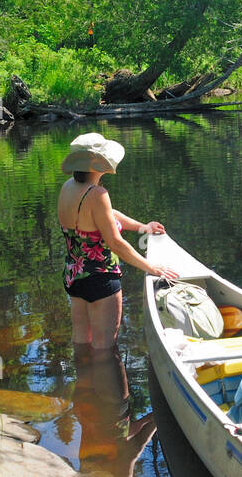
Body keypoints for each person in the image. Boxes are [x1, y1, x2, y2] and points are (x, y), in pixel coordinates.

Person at [58, 132, 177, 352]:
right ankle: (109, 386)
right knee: (105, 351)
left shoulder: (68, 187)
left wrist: (143, 227)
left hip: (74, 276)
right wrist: (151, 267)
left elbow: (108, 215)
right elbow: (116, 244)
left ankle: (84, 385)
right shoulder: (97, 193)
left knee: (81, 344)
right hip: (101, 279)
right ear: (97, 164)